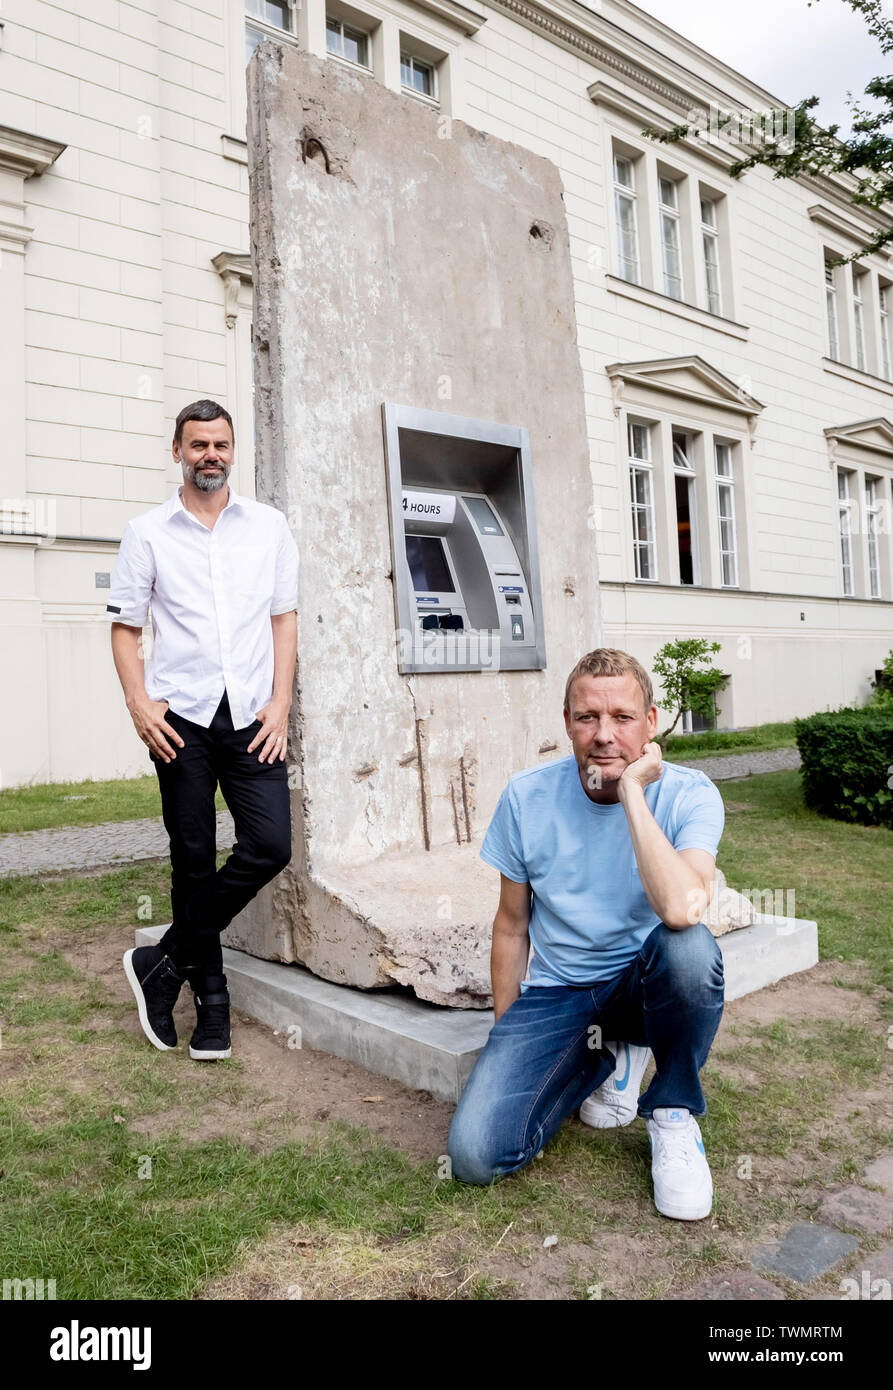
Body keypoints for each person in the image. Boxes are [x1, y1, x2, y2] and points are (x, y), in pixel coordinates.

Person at [447, 647, 725, 1220]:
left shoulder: (690, 794)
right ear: (567, 723)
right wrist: (509, 1036)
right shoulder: (527, 797)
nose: (603, 735)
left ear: (651, 723)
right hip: (560, 993)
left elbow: (682, 908)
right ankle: (605, 1058)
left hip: (643, 984)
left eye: (622, 718)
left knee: (690, 950)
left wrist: (631, 794)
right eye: (586, 718)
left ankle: (671, 1113)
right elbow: (511, 924)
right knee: (475, 1156)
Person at [107, 399, 299, 1061]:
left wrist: (281, 702)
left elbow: (283, 618)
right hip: (179, 720)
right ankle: (210, 1006)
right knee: (190, 860)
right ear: (177, 451)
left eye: (219, 444)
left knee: (270, 844)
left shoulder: (268, 527)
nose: (209, 455)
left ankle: (159, 961)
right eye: (197, 445)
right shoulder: (147, 532)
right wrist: (140, 705)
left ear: (232, 449)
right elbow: (126, 628)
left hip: (251, 715)